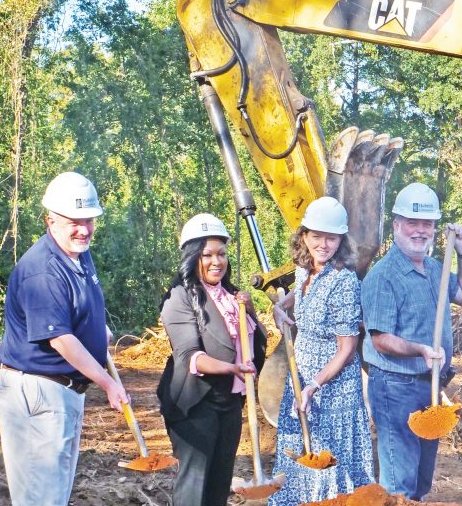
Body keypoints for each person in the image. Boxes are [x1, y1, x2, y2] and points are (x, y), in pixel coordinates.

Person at [0, 171, 129, 506]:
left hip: (64, 390)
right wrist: (108, 383)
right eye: (74, 221)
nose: (83, 229)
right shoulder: (42, 271)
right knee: (40, 498)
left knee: (55, 494)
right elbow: (62, 341)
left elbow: (79, 307)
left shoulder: (78, 253)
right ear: (50, 220)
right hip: (38, 394)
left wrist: (97, 329)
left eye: (89, 220)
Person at [361, 182, 462, 500]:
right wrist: (419, 349)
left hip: (430, 385)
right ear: (397, 225)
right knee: (399, 482)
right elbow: (381, 339)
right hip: (395, 387)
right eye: (413, 222)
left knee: (421, 481)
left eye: (427, 224)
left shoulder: (435, 268)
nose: (420, 230)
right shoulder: (383, 276)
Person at [157, 213, 268, 506]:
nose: (216, 261)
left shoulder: (233, 295)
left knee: (219, 483)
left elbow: (255, 342)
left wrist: (251, 309)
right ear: (193, 256)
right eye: (207, 255)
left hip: (229, 402)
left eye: (221, 254)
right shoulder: (178, 297)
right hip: (195, 403)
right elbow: (191, 357)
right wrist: (232, 368)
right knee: (195, 486)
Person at [268, 197, 373, 504]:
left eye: (331, 237)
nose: (323, 244)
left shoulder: (344, 281)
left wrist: (315, 385)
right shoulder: (305, 271)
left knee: (327, 465)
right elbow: (292, 299)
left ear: (341, 240)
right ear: (304, 236)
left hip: (331, 389)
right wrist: (279, 309)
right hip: (300, 379)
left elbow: (347, 348)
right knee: (297, 453)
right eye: (317, 236)